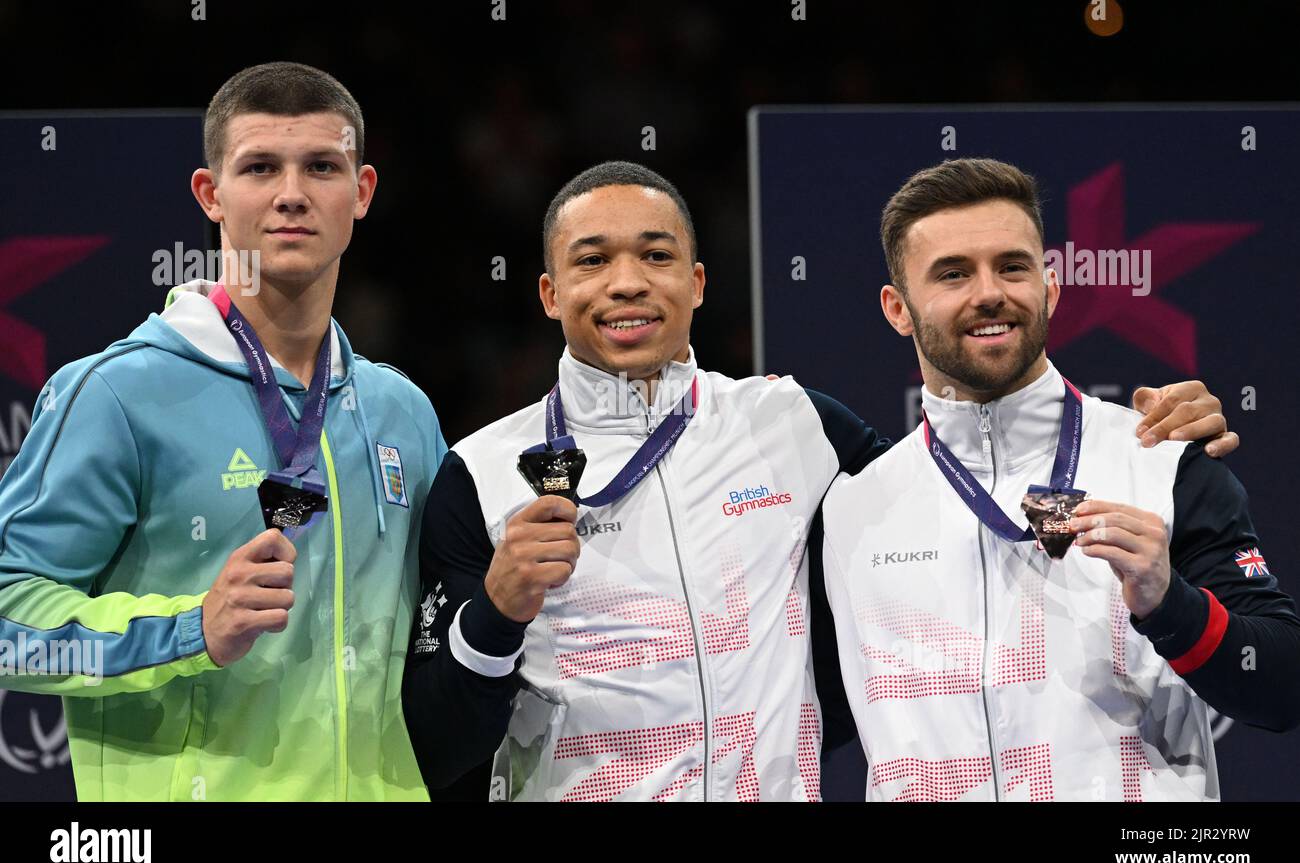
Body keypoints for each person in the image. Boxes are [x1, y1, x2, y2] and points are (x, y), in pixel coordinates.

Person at [400, 160, 1234, 802]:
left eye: (656, 255)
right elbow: (432, 748)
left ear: (695, 284)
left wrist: (1133, 437)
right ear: (550, 292)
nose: (627, 282)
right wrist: (495, 617)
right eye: (593, 261)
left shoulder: (795, 425)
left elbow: (961, 468)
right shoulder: (477, 474)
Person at [0, 62, 445, 801]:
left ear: (361, 192)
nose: (292, 194)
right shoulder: (118, 394)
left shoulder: (400, 411)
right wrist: (189, 629)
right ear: (212, 194)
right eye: (260, 167)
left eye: (321, 167)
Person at [817, 157, 1300, 801]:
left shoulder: (1161, 460)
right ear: (898, 309)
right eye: (954, 273)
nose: (989, 292)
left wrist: (1169, 603)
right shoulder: (853, 507)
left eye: (1012, 266)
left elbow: (1282, 688)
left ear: (1050, 287)